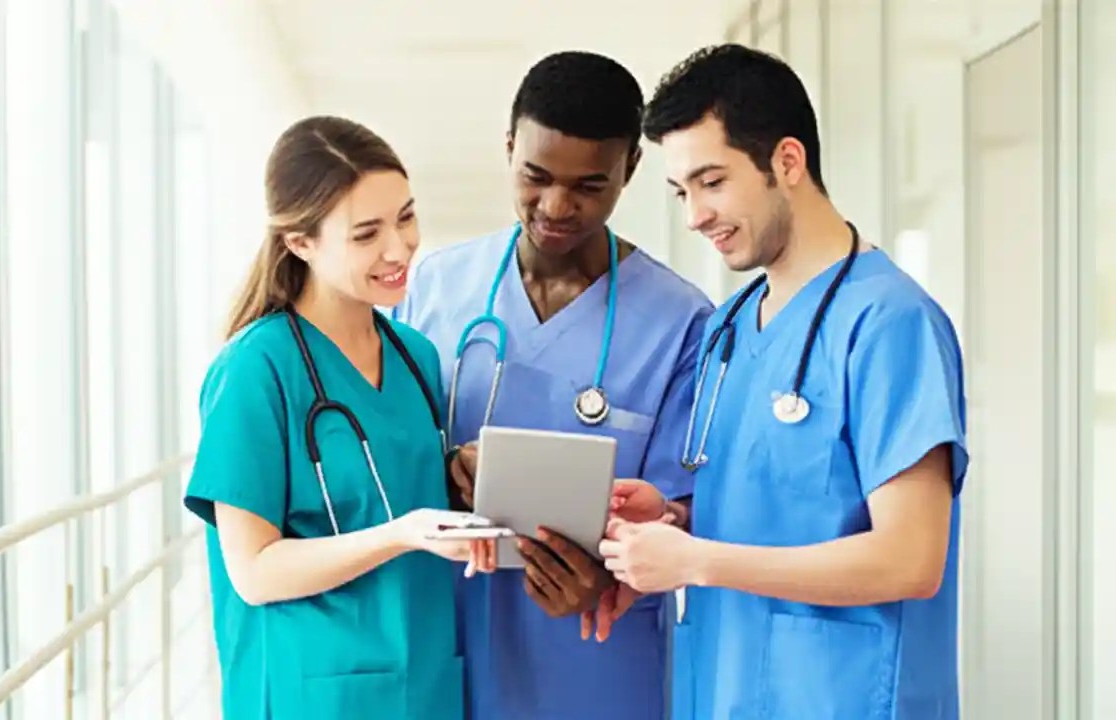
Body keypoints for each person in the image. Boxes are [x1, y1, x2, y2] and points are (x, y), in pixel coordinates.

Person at [599, 44, 969, 719]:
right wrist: (676, 521)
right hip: (725, 689)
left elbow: (911, 558)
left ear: (788, 162)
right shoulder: (727, 330)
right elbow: (777, 511)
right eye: (682, 192)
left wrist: (698, 560)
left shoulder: (890, 323)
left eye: (712, 182)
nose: (695, 215)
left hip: (843, 698)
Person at [392, 51, 715, 720]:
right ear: (509, 147)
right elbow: (389, 451)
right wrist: (442, 466)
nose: (557, 207)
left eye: (589, 186)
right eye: (535, 177)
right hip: (446, 637)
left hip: (594, 656)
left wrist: (613, 576)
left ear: (630, 169)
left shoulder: (681, 321)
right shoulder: (435, 288)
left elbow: (686, 508)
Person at [182, 115, 493, 720]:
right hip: (309, 694)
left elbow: (380, 487)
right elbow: (254, 572)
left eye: (406, 217)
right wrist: (402, 533)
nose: (399, 248)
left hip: (422, 685)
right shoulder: (255, 370)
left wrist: (453, 471)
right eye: (366, 233)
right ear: (300, 242)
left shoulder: (414, 356)